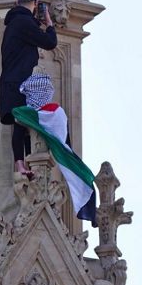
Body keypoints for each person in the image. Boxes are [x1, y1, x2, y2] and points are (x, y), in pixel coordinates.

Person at [14, 73, 97, 224]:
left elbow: (65, 146)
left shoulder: (27, 114)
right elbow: (66, 144)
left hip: (44, 162)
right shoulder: (56, 113)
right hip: (38, 162)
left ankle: (21, 165)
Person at [0, 0, 57, 177]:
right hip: (19, 83)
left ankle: (23, 166)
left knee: (23, 124)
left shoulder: (15, 23)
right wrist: (48, 23)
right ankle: (22, 166)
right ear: (35, 3)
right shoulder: (23, 22)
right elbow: (50, 42)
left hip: (10, 82)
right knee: (22, 122)